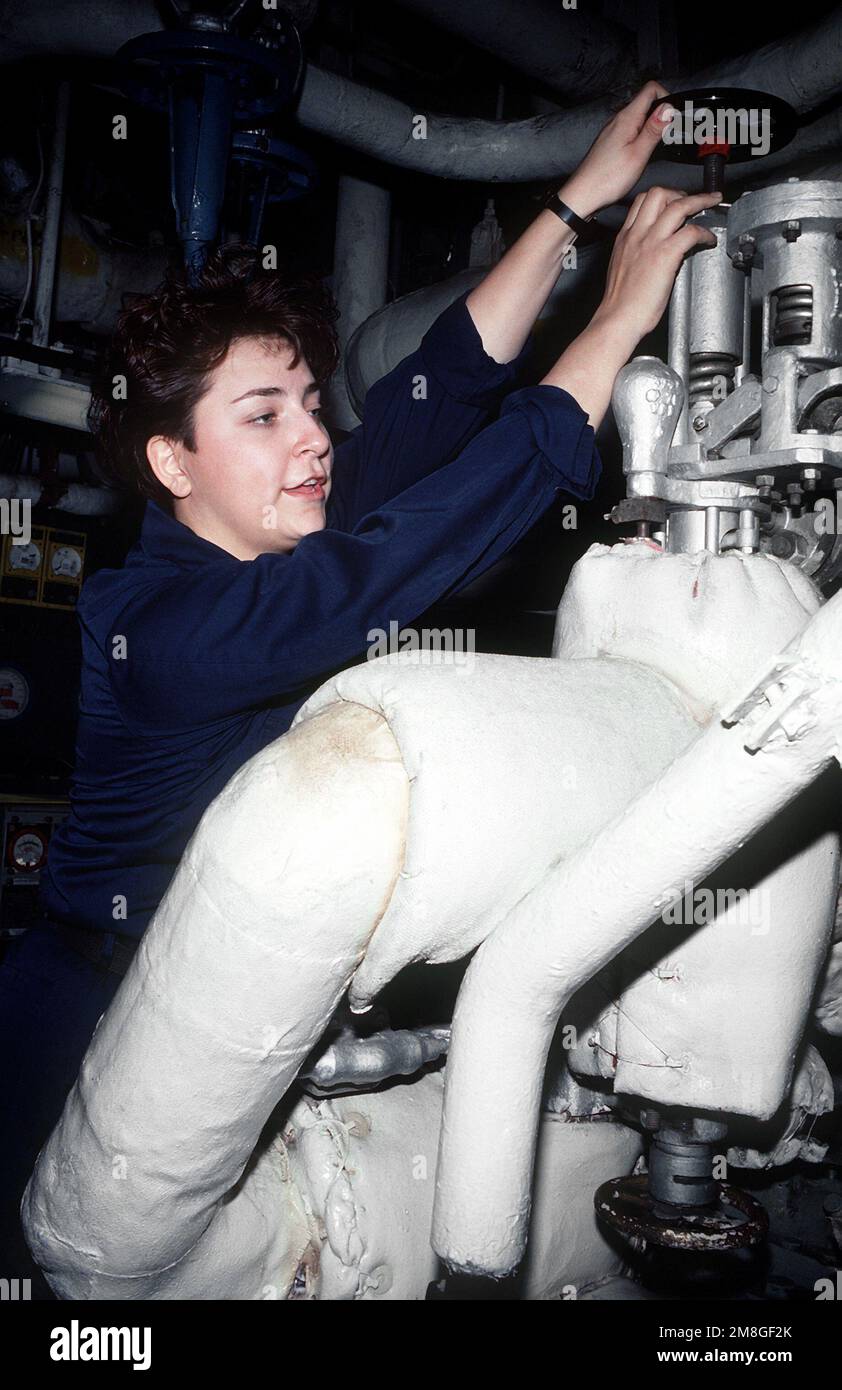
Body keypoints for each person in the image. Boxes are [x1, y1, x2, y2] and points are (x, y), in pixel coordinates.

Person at [0, 81, 720, 1295]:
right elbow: (377, 569)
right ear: (172, 461)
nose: (311, 439)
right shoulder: (162, 622)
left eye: (304, 405)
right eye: (263, 414)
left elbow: (427, 400)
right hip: (82, 1028)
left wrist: (569, 204)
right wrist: (612, 326)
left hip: (246, 1017)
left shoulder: (274, 537)